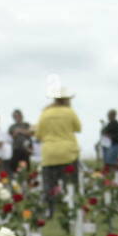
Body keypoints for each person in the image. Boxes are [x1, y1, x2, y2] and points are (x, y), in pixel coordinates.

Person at [34, 82, 81, 215]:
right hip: (68, 152)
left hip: (49, 153)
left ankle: (50, 211)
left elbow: (38, 134)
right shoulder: (69, 112)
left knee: (49, 185)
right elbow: (78, 128)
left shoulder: (45, 113)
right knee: (70, 184)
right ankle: (70, 209)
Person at [9, 109, 33, 174]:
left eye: (18, 116)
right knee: (14, 166)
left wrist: (20, 131)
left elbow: (30, 133)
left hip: (26, 149)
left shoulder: (26, 125)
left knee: (26, 166)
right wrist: (17, 133)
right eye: (15, 116)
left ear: (21, 116)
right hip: (16, 149)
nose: (17, 117)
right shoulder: (12, 126)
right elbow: (11, 136)